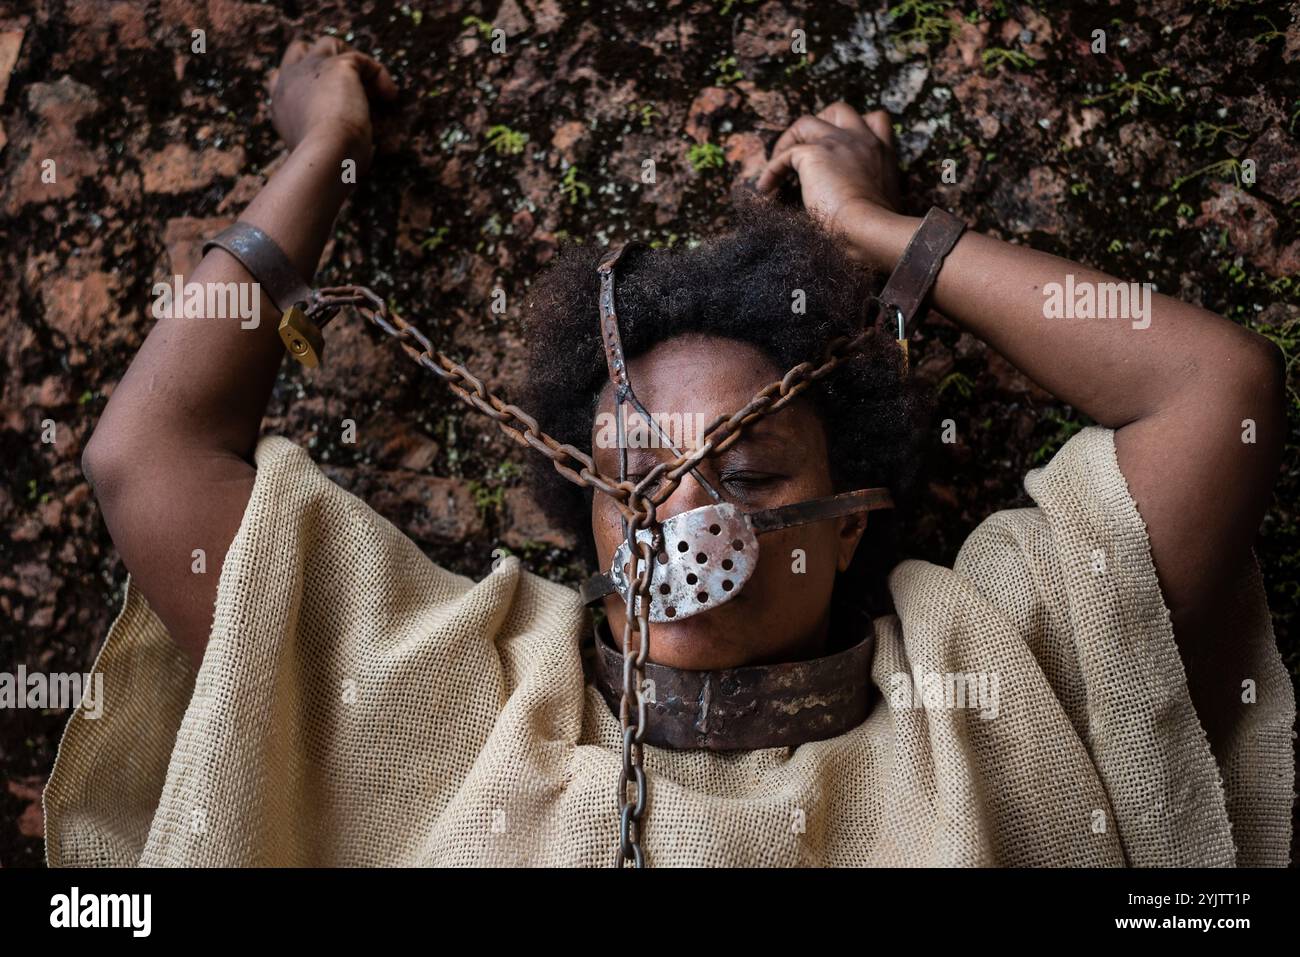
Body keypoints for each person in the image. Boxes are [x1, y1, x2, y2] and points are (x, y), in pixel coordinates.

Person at [44, 37, 1292, 867]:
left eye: (749, 479)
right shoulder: (440, 692)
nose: (676, 522)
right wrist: (321, 157)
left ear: (851, 514)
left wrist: (879, 233)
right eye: (633, 481)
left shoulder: (998, 679)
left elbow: (1210, 390)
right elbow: (145, 456)